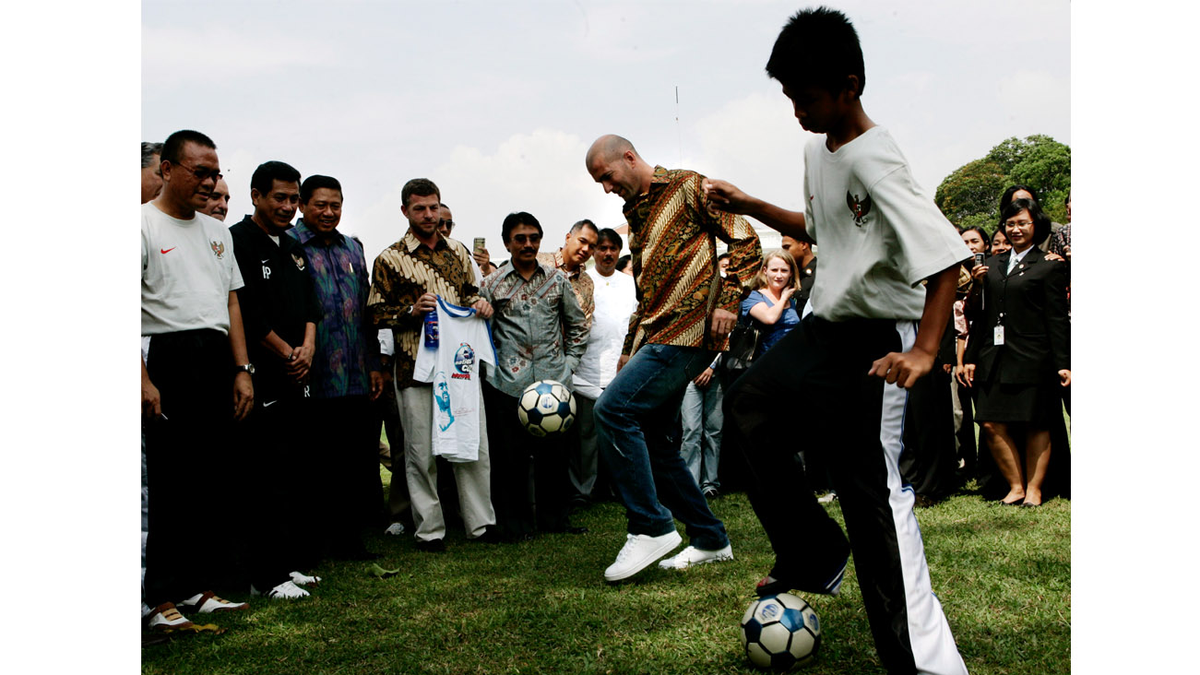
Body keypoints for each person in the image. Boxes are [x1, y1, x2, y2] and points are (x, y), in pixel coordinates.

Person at [702, 8, 971, 674]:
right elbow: (822, 228)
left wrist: (925, 350)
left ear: (849, 86)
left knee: (871, 496)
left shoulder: (878, 157)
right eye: (790, 98)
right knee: (749, 408)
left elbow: (946, 257)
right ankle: (814, 550)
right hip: (826, 328)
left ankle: (924, 662)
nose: (797, 111)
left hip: (877, 339)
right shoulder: (814, 149)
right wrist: (750, 204)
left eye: (808, 98)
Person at [584, 133, 760, 582]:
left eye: (607, 177)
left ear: (629, 157)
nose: (607, 188)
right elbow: (646, 294)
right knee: (655, 442)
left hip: (688, 334)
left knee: (612, 411)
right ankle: (710, 538)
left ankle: (650, 526)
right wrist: (629, 350)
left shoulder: (688, 186)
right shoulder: (635, 213)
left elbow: (746, 240)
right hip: (656, 335)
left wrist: (729, 301)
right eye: (600, 183)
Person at [142, 129, 253, 630]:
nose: (210, 183)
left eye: (215, 173)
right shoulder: (140, 225)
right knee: (170, 483)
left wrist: (242, 369)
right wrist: (142, 379)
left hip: (216, 357)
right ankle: (158, 596)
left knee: (210, 479)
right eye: (200, 172)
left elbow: (231, 302)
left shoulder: (217, 233)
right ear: (167, 169)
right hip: (166, 356)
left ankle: (196, 586)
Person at [367, 178, 498, 552]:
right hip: (414, 367)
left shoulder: (458, 251)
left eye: (433, 207)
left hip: (459, 367)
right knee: (419, 451)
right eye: (420, 208)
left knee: (473, 443)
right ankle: (430, 530)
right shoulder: (390, 258)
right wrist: (410, 311)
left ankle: (481, 524)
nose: (428, 215)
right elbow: (374, 312)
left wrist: (481, 305)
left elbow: (471, 294)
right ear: (405, 211)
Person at [229, 160, 325, 599]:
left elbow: (311, 307)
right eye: (279, 198)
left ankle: (288, 563)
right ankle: (265, 574)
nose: (288, 207)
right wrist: (287, 352)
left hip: (299, 373)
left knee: (294, 469)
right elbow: (245, 313)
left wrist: (307, 347)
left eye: (293, 199)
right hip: (263, 374)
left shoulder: (293, 245)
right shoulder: (238, 241)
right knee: (262, 474)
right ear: (256, 196)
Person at [288, 174, 385, 559]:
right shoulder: (289, 244)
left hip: (356, 373)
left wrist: (374, 363)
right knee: (314, 461)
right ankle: (314, 543)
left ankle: (349, 540)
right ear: (302, 205)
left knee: (353, 460)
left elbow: (366, 310)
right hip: (309, 373)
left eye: (336, 205)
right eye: (320, 205)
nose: (329, 212)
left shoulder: (353, 249)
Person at [480, 212, 590, 540]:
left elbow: (577, 325)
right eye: (520, 239)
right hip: (507, 385)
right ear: (507, 243)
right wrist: (491, 371)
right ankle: (514, 525)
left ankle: (555, 520)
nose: (528, 244)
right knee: (509, 460)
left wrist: (569, 365)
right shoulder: (491, 284)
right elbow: (482, 332)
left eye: (534, 238)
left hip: (553, 385)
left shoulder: (557, 281)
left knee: (555, 457)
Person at [963, 198, 1070, 507]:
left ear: (1036, 226)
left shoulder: (1049, 265)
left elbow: (1057, 319)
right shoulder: (991, 265)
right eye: (1010, 224)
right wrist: (970, 357)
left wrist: (1064, 362)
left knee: (1037, 422)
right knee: (989, 421)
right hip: (994, 356)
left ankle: (1034, 490)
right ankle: (1015, 486)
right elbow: (979, 316)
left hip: (1034, 356)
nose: (1016, 229)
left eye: (1023, 223)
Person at [569, 227, 636, 509]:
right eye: (602, 248)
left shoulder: (630, 283)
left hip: (623, 370)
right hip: (588, 370)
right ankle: (582, 490)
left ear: (619, 252)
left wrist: (629, 353)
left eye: (613, 249)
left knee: (620, 435)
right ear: (594, 251)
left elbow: (636, 320)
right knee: (586, 436)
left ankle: (620, 488)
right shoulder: (582, 281)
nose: (607, 254)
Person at [537, 218, 598, 327]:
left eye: (591, 247)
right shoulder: (538, 263)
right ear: (568, 238)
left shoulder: (587, 283)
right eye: (582, 241)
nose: (586, 249)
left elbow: (583, 327)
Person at [741, 250, 802, 358]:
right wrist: (783, 298)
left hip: (790, 359)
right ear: (765, 271)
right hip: (764, 361)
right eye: (774, 270)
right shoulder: (753, 296)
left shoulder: (791, 301)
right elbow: (769, 318)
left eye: (784, 270)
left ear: (791, 273)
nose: (779, 275)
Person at [780, 234, 817, 311]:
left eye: (787, 247)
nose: (783, 253)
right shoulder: (788, 276)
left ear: (803, 244)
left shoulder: (820, 274)